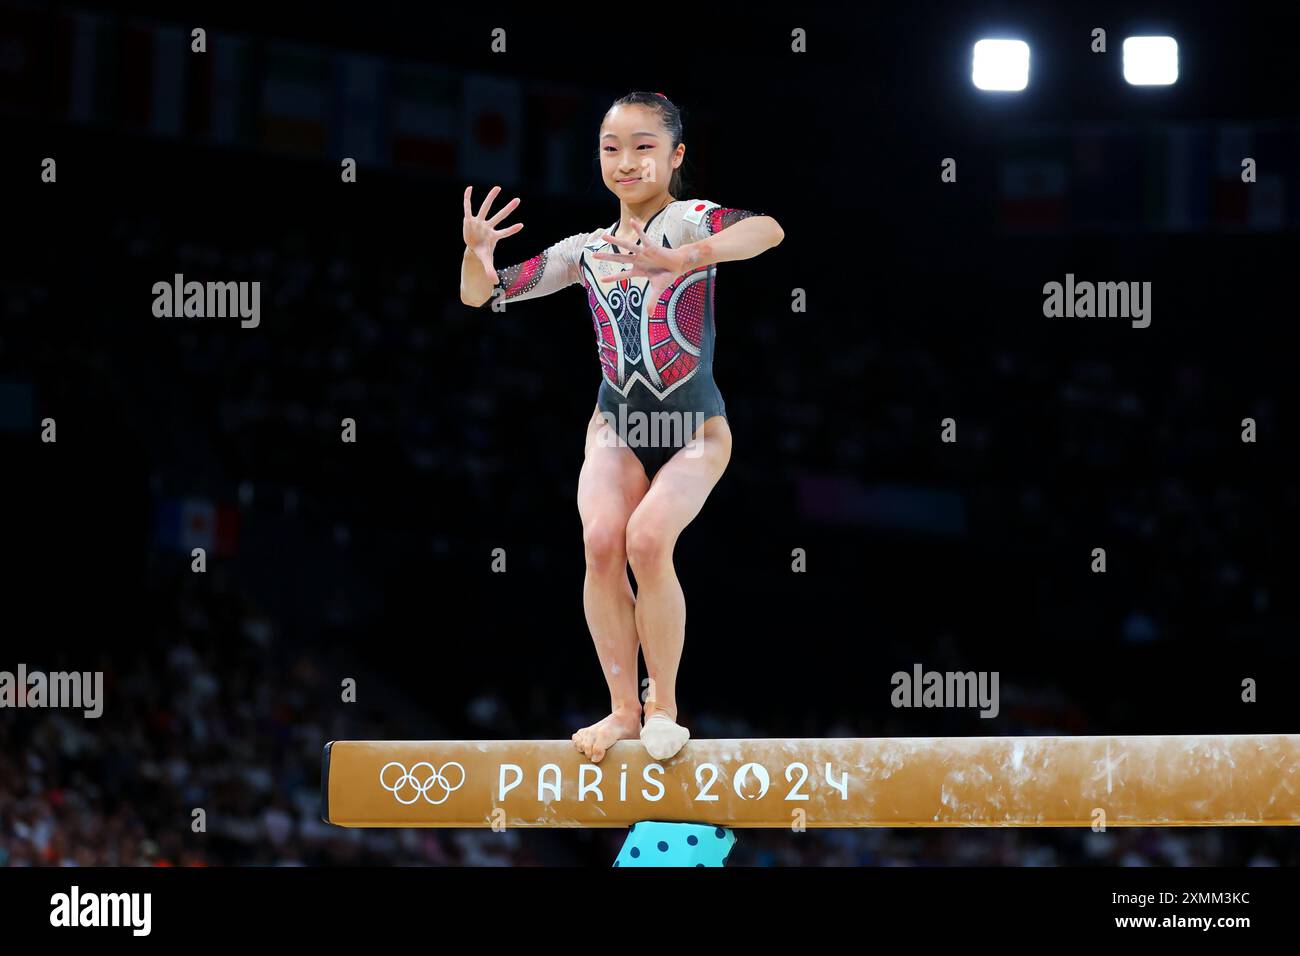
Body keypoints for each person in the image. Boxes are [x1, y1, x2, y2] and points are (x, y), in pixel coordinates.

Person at [460, 91, 783, 762]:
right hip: (614, 429)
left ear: (675, 156)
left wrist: (687, 259)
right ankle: (621, 712)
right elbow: (482, 294)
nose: (627, 161)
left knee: (646, 539)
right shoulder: (587, 251)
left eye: (644, 147)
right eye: (612, 148)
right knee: (603, 541)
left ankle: (665, 706)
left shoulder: (692, 221)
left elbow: (767, 231)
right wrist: (476, 254)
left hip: (696, 430)